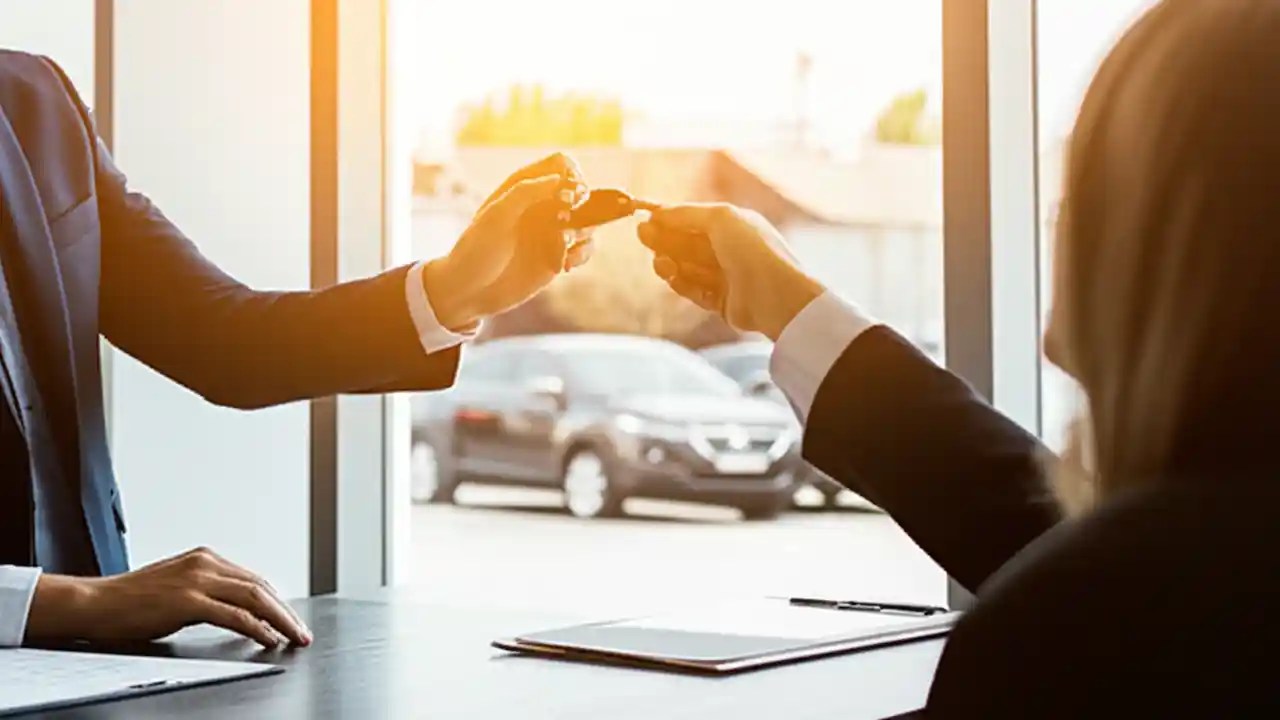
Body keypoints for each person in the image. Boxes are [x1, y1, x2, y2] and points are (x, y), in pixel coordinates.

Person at [639, 1, 1278, 715]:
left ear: (1148, 257)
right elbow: (1083, 547)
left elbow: (1110, 597)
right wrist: (791, 312)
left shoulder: (1076, 634)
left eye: (1073, 207)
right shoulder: (1186, 589)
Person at [0, 51, 592, 650]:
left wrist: (454, 286)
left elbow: (224, 342)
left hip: (96, 666)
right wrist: (71, 603)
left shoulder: (35, 101)